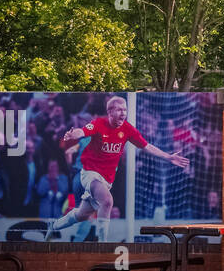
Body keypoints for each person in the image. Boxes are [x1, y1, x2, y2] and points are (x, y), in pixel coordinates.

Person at [47, 96, 189, 241]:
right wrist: (73, 134)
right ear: (110, 111)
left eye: (125, 110)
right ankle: (103, 246)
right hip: (90, 173)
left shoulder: (127, 129)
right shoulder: (99, 123)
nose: (123, 113)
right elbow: (82, 131)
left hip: (107, 179)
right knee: (107, 201)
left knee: (82, 214)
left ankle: (53, 225)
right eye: (119, 109)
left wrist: (168, 157)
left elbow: (146, 146)